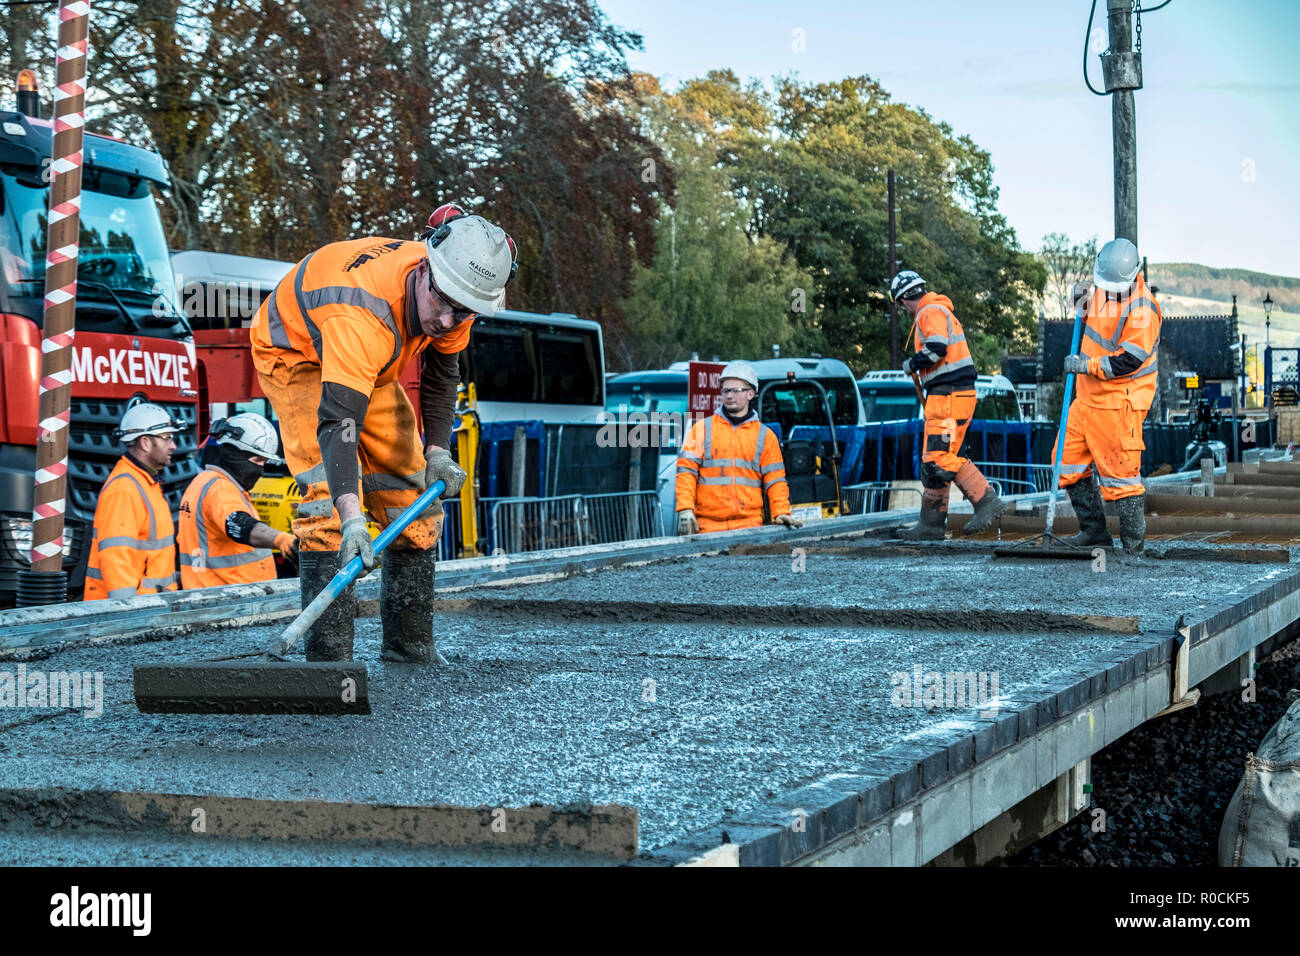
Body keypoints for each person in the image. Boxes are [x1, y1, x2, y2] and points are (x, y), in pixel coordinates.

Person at [248, 203, 513, 663]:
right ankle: (330, 664)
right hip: (295, 354)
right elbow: (339, 421)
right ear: (424, 270)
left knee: (414, 500)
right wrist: (353, 517)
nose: (447, 322)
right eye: (443, 305)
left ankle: (410, 649)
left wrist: (437, 453)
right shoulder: (361, 313)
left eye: (463, 313)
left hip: (369, 364)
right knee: (327, 509)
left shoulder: (457, 290)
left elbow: (441, 373)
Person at [1058, 237, 1161, 554]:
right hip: (1086, 401)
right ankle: (1094, 533)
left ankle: (1133, 549)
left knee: (1122, 480)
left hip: (1118, 405)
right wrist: (1081, 301)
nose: (1107, 291)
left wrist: (1085, 366)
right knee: (1066, 464)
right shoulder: (1104, 288)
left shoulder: (1143, 310)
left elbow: (1129, 360)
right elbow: (1093, 319)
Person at [890, 270, 1008, 540]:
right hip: (950, 396)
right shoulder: (938, 310)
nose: (903, 309)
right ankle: (930, 525)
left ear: (904, 299)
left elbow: (937, 348)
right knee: (933, 462)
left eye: (900, 304)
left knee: (939, 458)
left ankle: (986, 500)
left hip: (948, 397)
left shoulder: (928, 311)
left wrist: (913, 363)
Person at [675, 360, 802, 534]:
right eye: (726, 390)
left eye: (735, 390)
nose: (729, 396)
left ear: (750, 394)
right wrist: (685, 509)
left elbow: (775, 480)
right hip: (707, 528)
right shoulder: (702, 429)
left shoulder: (765, 436)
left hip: (750, 528)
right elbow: (686, 472)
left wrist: (781, 512)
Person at [178, 412, 297, 589]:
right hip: (228, 595)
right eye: (257, 460)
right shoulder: (220, 488)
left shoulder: (203, 481)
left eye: (264, 462)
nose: (261, 469)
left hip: (215, 590)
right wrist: (281, 540)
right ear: (234, 453)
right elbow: (239, 524)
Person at [84, 403, 182, 601]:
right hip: (131, 609)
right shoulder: (124, 489)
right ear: (145, 442)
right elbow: (116, 558)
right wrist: (129, 612)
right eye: (167, 438)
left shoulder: (145, 482)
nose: (173, 446)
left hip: (151, 604)